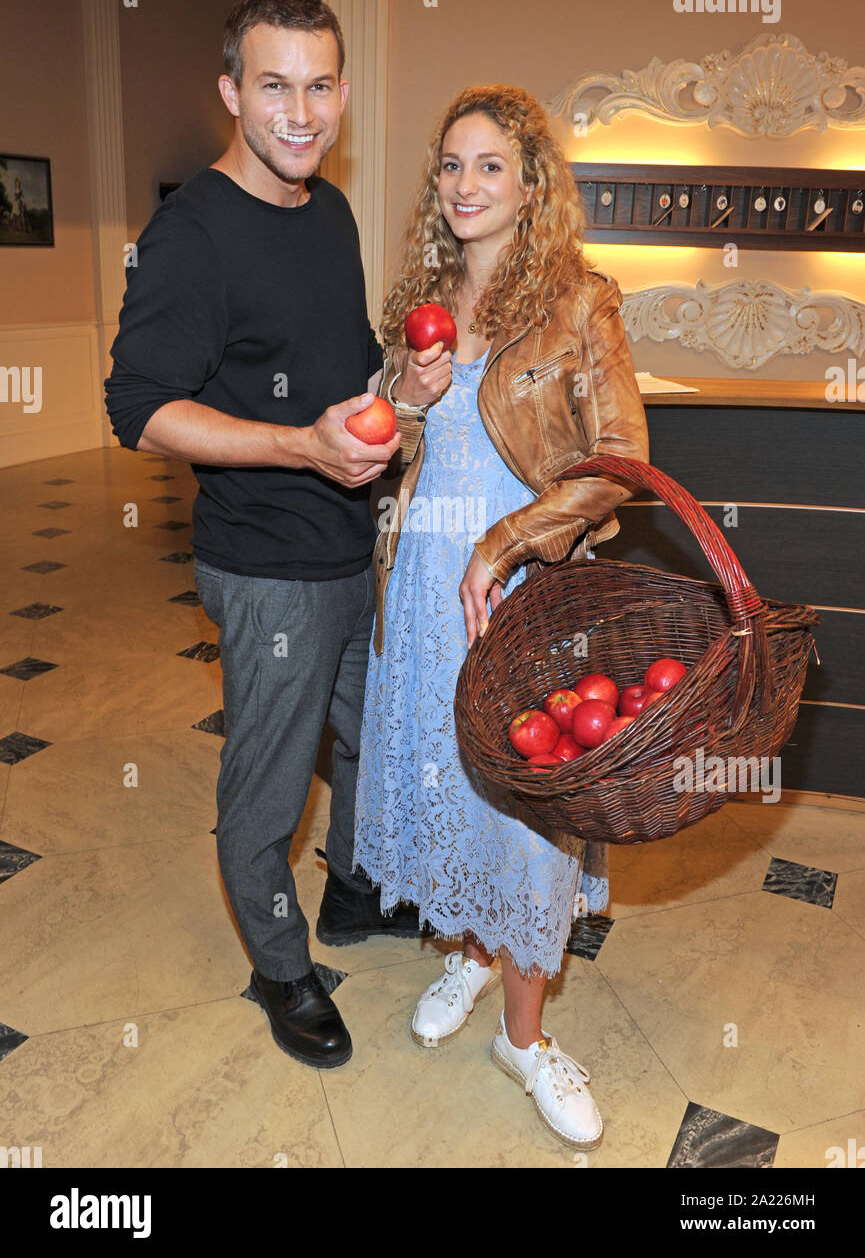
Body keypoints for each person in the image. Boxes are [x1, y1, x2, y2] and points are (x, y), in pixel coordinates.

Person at [103, 0, 423, 1073]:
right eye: (275, 85)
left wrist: (398, 382)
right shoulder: (190, 233)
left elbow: (336, 376)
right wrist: (299, 447)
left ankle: (350, 895)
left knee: (378, 744)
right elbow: (138, 408)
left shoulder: (325, 211)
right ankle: (280, 966)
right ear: (232, 91)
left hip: (346, 544)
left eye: (321, 84)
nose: (302, 111)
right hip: (266, 566)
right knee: (269, 785)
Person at [353, 84, 649, 1148]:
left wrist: (508, 540)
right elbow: (381, 443)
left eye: (489, 165)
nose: (465, 184)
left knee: (524, 811)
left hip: (520, 595)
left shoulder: (578, 300)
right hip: (422, 583)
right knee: (446, 782)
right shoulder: (423, 296)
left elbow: (621, 461)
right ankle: (468, 958)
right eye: (450, 165)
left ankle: (524, 1038)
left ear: (531, 183)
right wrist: (409, 396)